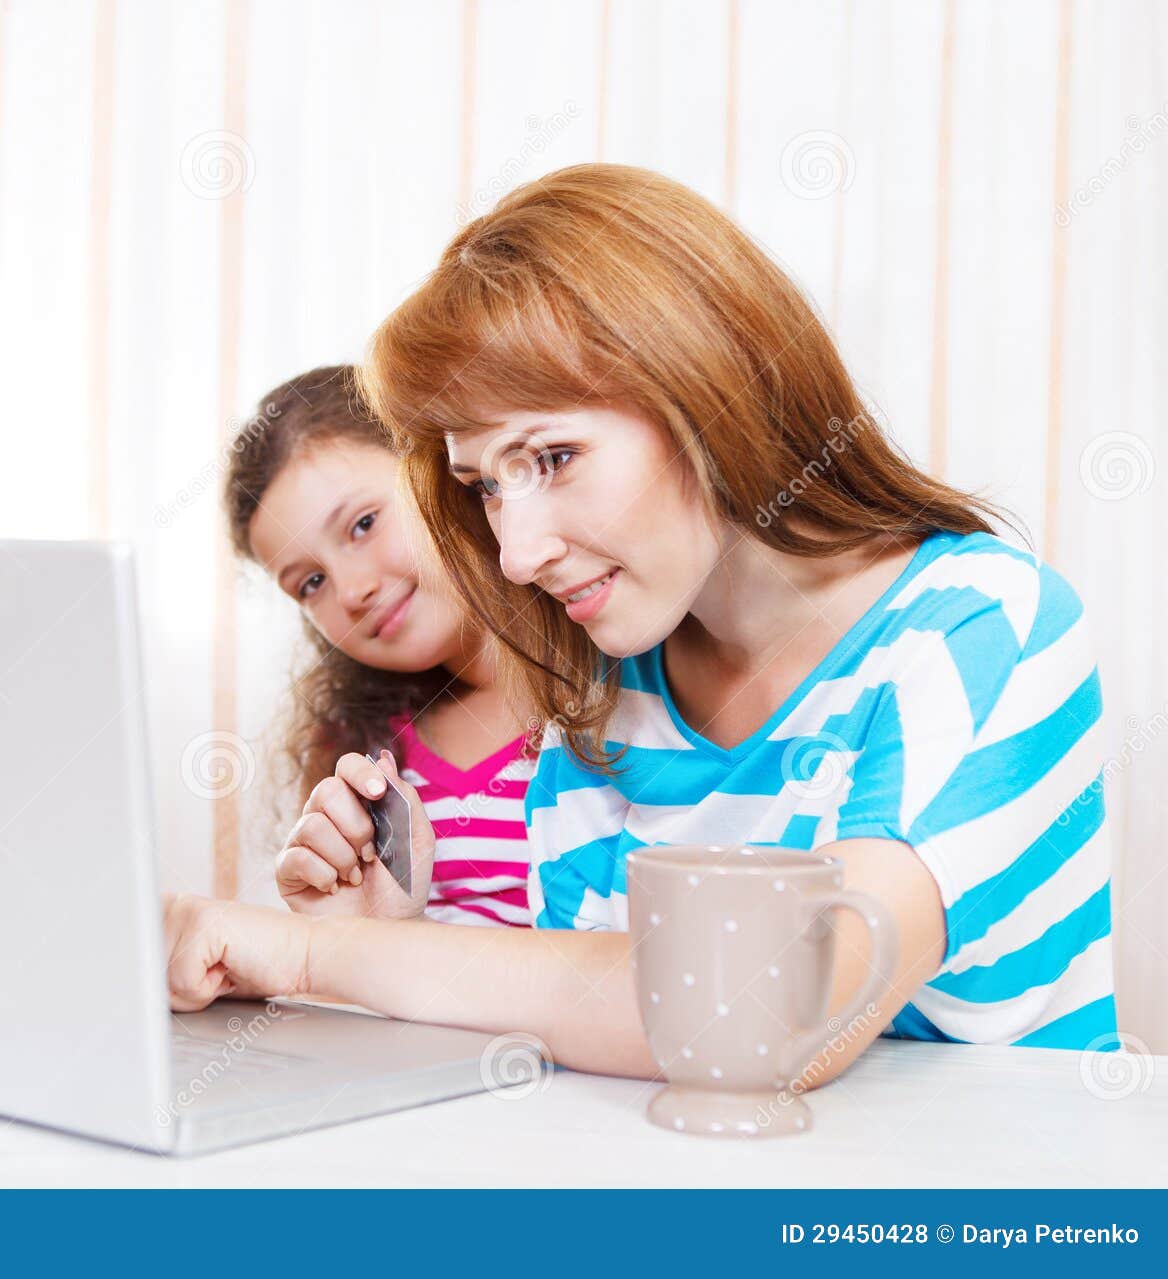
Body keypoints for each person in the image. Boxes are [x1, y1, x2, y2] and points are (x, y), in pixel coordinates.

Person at [166, 165, 1116, 1082]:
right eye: (487, 485)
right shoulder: (601, 708)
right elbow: (603, 1033)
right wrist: (385, 939)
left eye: (552, 457)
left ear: (709, 385)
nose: (515, 554)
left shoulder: (984, 626)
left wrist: (318, 957)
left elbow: (766, 1013)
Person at [224, 365, 537, 927]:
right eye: (311, 583)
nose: (351, 590)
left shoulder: (626, 692)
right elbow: (362, 963)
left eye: (363, 524)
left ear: (443, 468)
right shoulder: (361, 761)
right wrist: (342, 939)